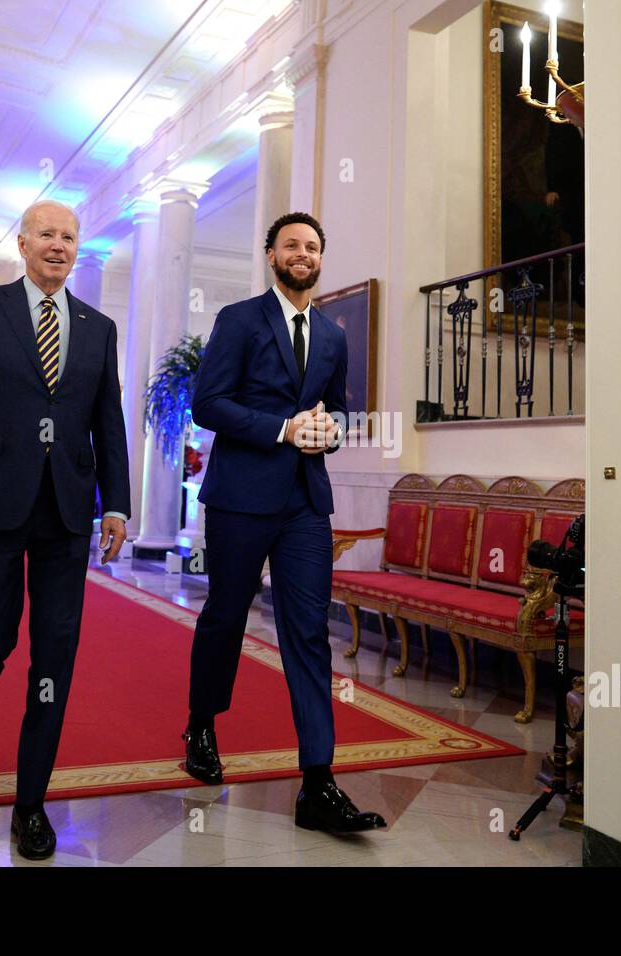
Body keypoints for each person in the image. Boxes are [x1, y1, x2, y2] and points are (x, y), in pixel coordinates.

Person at [0, 200, 131, 860]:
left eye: (69, 236)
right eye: (47, 234)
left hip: (66, 514)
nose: (59, 245)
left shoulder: (100, 328)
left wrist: (117, 505)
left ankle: (31, 802)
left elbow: (110, 423)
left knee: (55, 655)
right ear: (22, 243)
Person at [183, 211, 386, 833]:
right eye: (292, 244)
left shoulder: (331, 336)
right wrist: (282, 429)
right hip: (241, 498)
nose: (303, 253)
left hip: (304, 503)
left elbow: (342, 413)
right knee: (225, 616)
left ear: (321, 259)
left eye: (313, 246)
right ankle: (200, 727)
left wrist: (328, 431)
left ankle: (318, 783)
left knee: (308, 632)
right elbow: (207, 404)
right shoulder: (239, 319)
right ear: (271, 255)